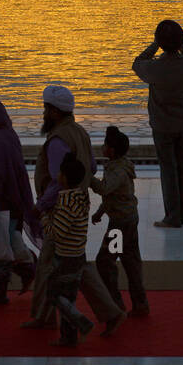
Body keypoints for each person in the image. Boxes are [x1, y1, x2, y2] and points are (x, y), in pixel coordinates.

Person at [22, 85, 125, 334]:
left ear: (55, 112)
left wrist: (42, 206)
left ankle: (43, 317)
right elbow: (90, 166)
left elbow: (59, 180)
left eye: (46, 109)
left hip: (60, 211)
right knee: (77, 262)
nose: (43, 113)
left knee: (49, 263)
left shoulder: (58, 140)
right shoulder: (80, 132)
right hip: (78, 206)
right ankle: (109, 312)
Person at [132, 20, 183, 227]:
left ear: (160, 43)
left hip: (162, 126)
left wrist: (154, 45)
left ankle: (173, 216)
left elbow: (136, 63)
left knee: (168, 170)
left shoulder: (154, 68)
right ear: (180, 41)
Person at [0, 99, 39, 304]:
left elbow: (0, 174)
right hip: (10, 203)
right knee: (5, 244)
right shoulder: (8, 136)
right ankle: (24, 269)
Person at [92, 126, 149, 317]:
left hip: (120, 226)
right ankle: (140, 304)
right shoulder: (119, 166)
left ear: (112, 151)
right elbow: (112, 197)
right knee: (130, 261)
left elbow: (105, 189)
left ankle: (116, 303)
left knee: (105, 260)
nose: (102, 147)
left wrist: (87, 179)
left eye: (105, 145)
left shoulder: (117, 171)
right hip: (127, 221)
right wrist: (100, 212)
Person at [46, 154, 96, 346]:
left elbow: (57, 233)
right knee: (69, 297)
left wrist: (45, 220)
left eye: (60, 172)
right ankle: (69, 337)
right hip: (78, 253)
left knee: (53, 293)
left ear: (64, 178)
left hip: (65, 256)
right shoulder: (81, 197)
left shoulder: (66, 202)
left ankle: (80, 321)